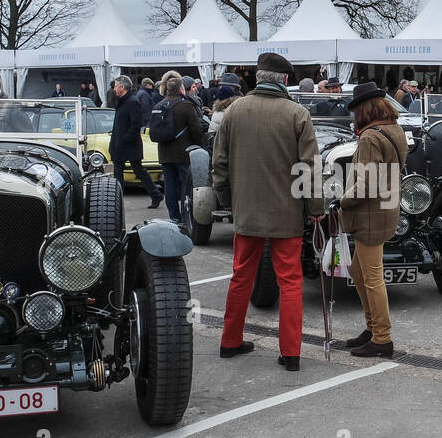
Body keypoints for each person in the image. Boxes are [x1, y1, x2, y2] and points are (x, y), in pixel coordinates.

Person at [211, 52, 323, 371]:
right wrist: (315, 208)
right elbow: (310, 168)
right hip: (286, 213)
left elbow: (219, 164)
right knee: (290, 282)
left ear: (258, 78)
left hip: (246, 210)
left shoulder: (234, 111)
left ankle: (229, 341)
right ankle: (291, 353)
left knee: (241, 276)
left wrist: (228, 200)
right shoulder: (297, 114)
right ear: (284, 80)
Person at [339, 82, 409, 358]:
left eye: (357, 110)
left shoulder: (370, 137)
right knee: (359, 272)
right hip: (386, 207)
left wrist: (343, 201)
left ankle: (381, 338)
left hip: (370, 213)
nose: (355, 116)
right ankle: (372, 329)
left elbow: (366, 184)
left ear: (364, 109)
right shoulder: (394, 129)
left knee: (371, 278)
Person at [150, 76, 205, 223]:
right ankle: (186, 218)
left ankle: (174, 217)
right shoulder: (186, 106)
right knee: (185, 187)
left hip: (165, 154)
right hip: (184, 153)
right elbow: (197, 129)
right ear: (181, 89)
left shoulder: (159, 105)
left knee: (169, 186)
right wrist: (199, 145)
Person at [109, 76, 163, 207]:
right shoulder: (122, 101)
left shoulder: (132, 102)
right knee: (118, 173)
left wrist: (125, 138)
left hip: (129, 144)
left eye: (116, 86)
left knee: (139, 170)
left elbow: (136, 124)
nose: (114, 88)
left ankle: (155, 194)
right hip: (120, 144)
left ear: (122, 87)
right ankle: (118, 201)